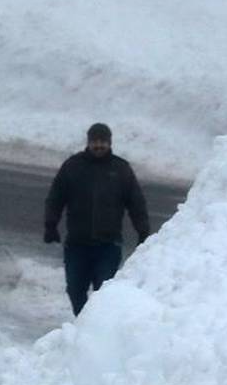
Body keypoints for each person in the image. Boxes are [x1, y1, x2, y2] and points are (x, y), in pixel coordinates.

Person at [43, 122, 152, 316]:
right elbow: (55, 197)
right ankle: (84, 324)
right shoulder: (73, 166)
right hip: (77, 244)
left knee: (103, 293)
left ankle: (96, 328)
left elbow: (136, 202)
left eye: (103, 141)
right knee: (75, 290)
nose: (99, 145)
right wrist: (50, 224)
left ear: (109, 143)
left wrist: (143, 230)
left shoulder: (121, 169)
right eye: (95, 141)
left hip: (108, 245)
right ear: (88, 142)